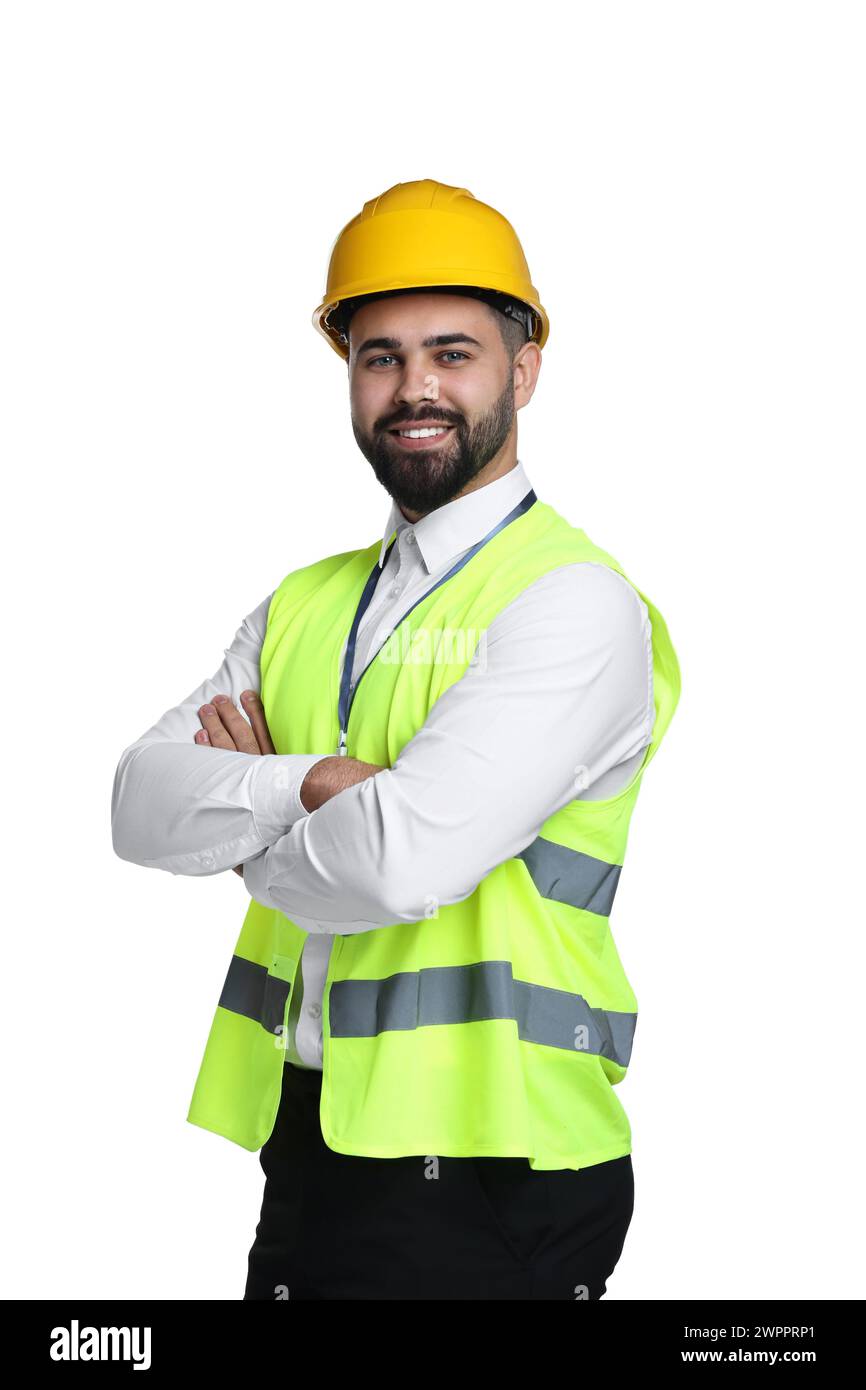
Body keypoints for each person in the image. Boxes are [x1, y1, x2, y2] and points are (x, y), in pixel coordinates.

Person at [111, 178, 681, 1300]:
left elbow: (397, 860)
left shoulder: (571, 602)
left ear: (522, 369)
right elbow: (136, 804)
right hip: (312, 1142)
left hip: (492, 1170)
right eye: (380, 356)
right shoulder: (302, 602)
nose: (414, 387)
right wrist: (321, 780)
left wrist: (246, 829)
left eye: (451, 351)